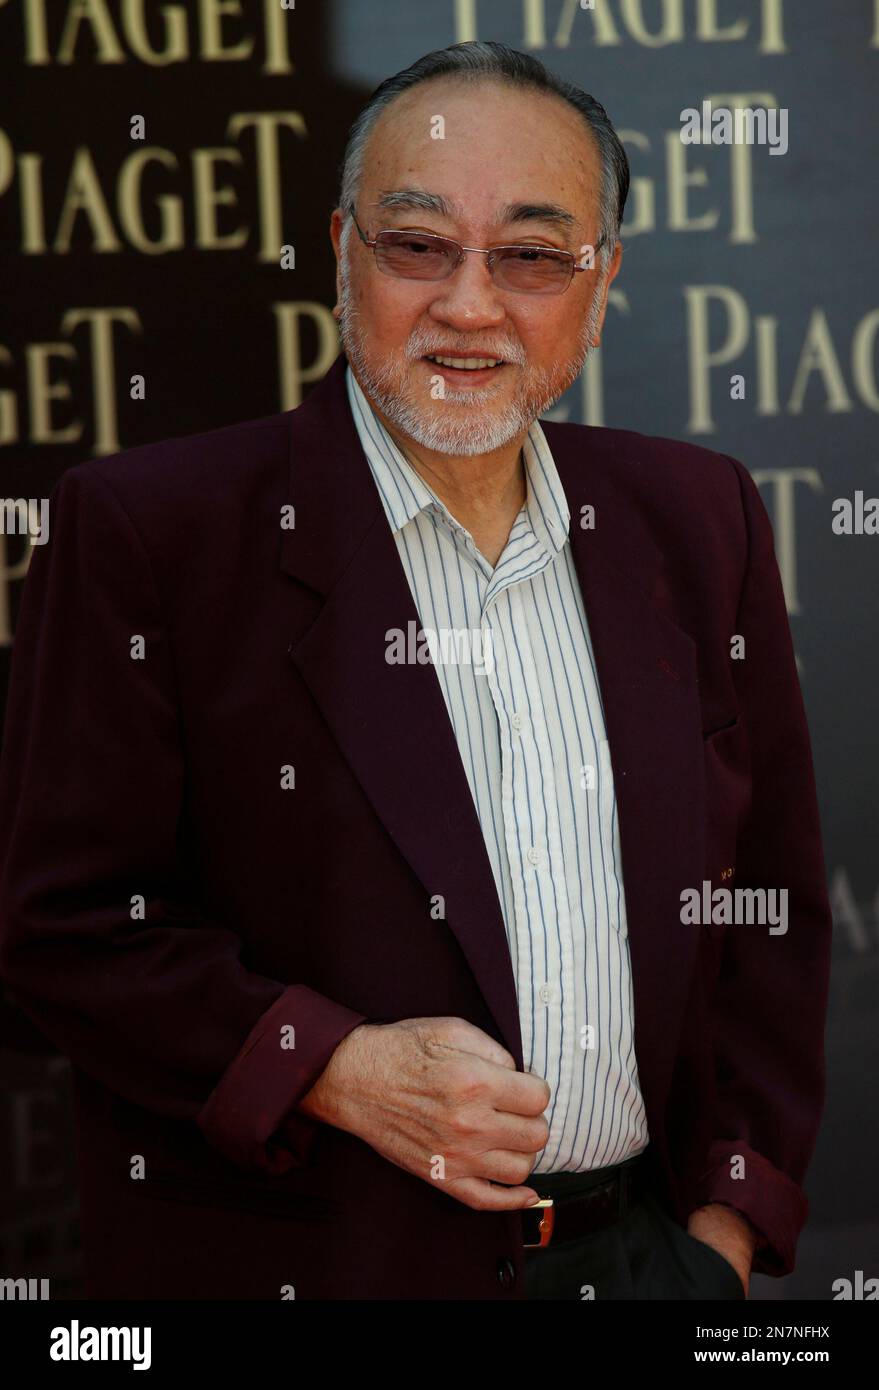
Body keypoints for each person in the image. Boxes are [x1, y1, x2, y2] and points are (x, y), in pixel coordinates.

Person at [0, 41, 831, 1301]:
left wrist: (725, 1230)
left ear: (602, 284)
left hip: (643, 1260)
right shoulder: (152, 532)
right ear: (341, 251)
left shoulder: (696, 515)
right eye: (418, 245)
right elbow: (62, 930)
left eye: (535, 256)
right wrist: (331, 1067)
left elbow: (767, 899)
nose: (471, 305)